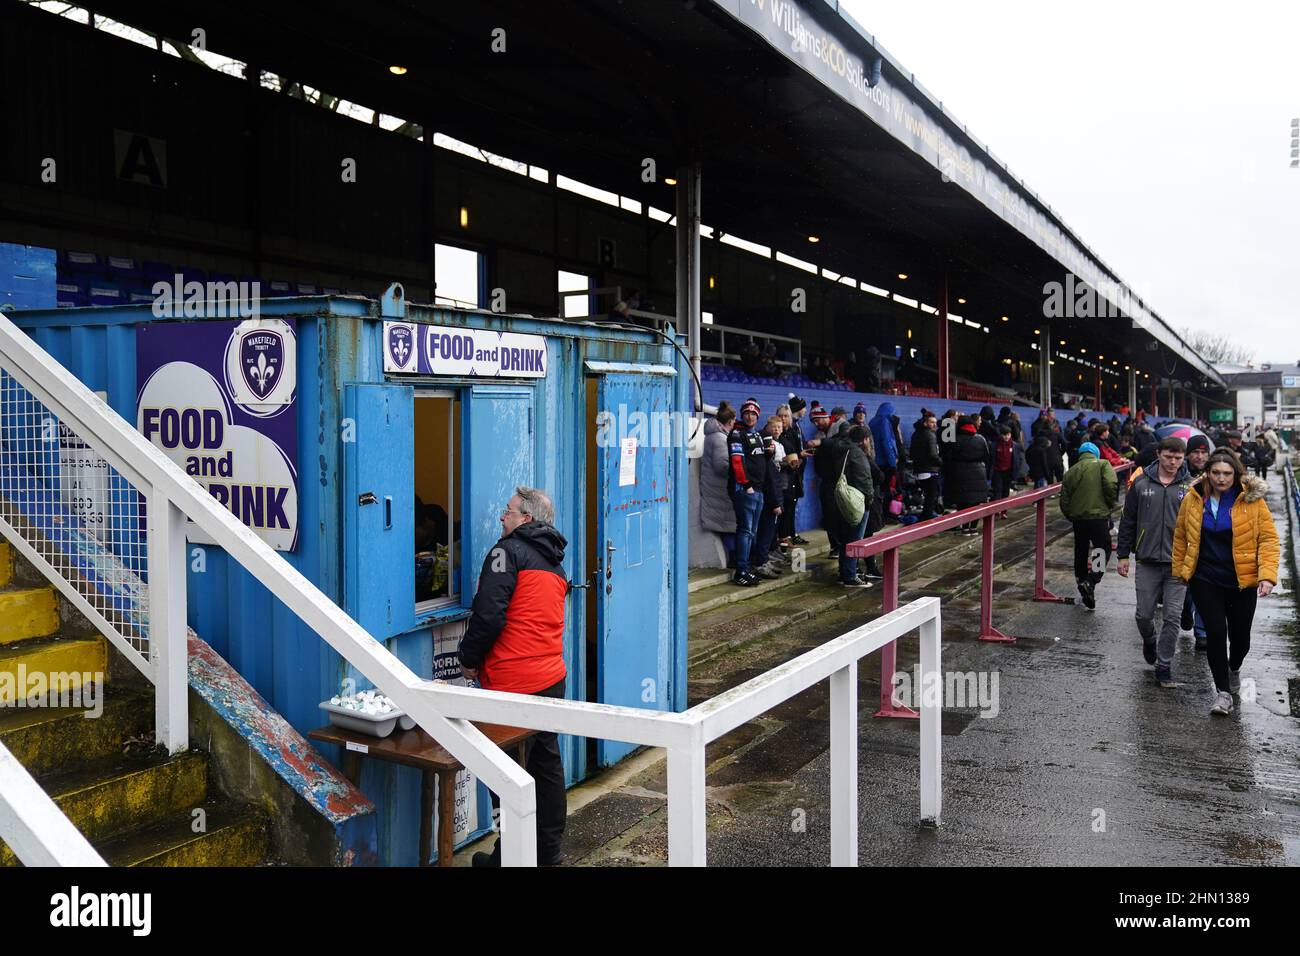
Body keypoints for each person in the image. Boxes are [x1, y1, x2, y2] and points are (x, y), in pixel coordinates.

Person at [459, 486, 568, 867]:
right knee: (545, 766)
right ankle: (547, 855)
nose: (501, 517)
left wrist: (468, 658)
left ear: (526, 519)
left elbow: (489, 615)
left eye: (507, 511)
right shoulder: (554, 560)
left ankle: (511, 858)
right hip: (551, 677)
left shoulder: (506, 552)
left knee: (505, 772)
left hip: (513, 681)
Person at [1172, 450, 1279, 716]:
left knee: (1240, 639)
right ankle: (1222, 693)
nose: (1221, 478)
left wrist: (1267, 574)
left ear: (1236, 474)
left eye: (1227, 473)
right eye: (1216, 473)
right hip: (1206, 579)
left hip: (1242, 581)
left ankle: (1235, 665)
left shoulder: (1251, 500)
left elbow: (1268, 539)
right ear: (1208, 472)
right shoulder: (1194, 498)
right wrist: (1181, 571)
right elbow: (1181, 536)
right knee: (1215, 633)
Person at [1116, 437, 1193, 687]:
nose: (1173, 462)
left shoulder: (1191, 488)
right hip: (1147, 560)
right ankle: (1149, 641)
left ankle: (1164, 665)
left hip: (1178, 563)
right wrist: (1123, 555)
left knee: (1173, 617)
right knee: (1143, 614)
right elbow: (1128, 521)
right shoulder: (1140, 483)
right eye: (1168, 456)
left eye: (1178, 458)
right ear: (1158, 454)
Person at [1059, 441, 1118, 609]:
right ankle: (1092, 579)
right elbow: (1111, 484)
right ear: (1096, 453)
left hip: (1078, 519)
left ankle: (1081, 581)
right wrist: (1109, 503)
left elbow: (1064, 499)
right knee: (1101, 548)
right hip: (1098, 517)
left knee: (1081, 549)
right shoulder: (1102, 464)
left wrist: (1071, 515)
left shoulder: (1071, 472)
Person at [728, 399, 777, 586]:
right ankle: (740, 571)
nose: (750, 416)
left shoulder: (756, 434)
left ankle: (746, 569)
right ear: (742, 415)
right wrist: (746, 484)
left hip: (759, 490)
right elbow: (737, 462)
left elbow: (759, 459)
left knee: (752, 532)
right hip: (745, 490)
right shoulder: (736, 434)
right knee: (745, 530)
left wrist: (769, 453)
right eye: (747, 413)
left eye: (753, 413)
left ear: (758, 415)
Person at [825, 425, 875, 588]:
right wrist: (869, 501)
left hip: (841, 499)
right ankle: (849, 575)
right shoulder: (857, 454)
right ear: (864, 440)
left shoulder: (840, 449)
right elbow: (864, 480)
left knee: (846, 540)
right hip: (856, 501)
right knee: (854, 540)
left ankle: (844, 572)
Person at [1179, 434, 1212, 649]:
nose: (1199, 456)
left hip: (1207, 543)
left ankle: (1202, 633)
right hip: (1182, 541)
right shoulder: (1177, 476)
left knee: (1204, 588)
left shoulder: (1216, 475)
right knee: (1186, 588)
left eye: (1203, 452)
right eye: (1195, 452)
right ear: (1188, 455)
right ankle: (1185, 611)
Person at [748, 414, 788, 579]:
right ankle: (761, 563)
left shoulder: (767, 462)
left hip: (770, 502)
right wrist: (777, 504)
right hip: (770, 504)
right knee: (765, 534)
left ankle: (763, 560)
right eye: (769, 445)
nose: (772, 447)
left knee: (766, 534)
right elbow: (771, 486)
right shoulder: (766, 464)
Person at [700, 402, 738, 562]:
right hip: (719, 489)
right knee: (729, 525)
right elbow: (722, 466)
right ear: (730, 422)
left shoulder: (713, 436)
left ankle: (734, 558)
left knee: (727, 524)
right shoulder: (720, 439)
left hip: (713, 487)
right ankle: (734, 559)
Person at [950, 415, 991, 534]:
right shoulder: (981, 439)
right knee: (976, 502)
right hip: (979, 473)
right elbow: (987, 456)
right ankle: (973, 527)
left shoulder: (955, 439)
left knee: (962, 502)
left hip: (960, 472)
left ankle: (964, 527)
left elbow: (949, 455)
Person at [777, 402, 808, 548]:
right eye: (781, 416)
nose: (783, 419)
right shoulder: (776, 434)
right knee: (782, 509)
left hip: (795, 474)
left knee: (791, 506)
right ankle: (782, 538)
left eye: (786, 416)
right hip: (782, 477)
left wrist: (799, 459)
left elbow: (798, 452)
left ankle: (790, 535)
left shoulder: (794, 431)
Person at [909, 412, 943, 520]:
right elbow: (933, 455)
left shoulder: (915, 434)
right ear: (925, 423)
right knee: (931, 497)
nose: (934, 425)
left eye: (935, 423)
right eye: (932, 422)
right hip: (930, 471)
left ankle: (925, 516)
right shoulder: (930, 435)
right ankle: (927, 519)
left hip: (919, 470)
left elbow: (912, 453)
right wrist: (942, 462)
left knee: (925, 495)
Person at [990, 425, 1016, 515]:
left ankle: (1004, 511)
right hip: (997, 471)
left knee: (1006, 491)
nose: (1006, 437)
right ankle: (997, 510)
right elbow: (992, 458)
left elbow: (1016, 460)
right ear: (1001, 435)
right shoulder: (995, 445)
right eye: (1004, 435)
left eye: (1008, 434)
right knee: (997, 491)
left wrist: (1015, 472)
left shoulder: (1014, 445)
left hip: (1008, 472)